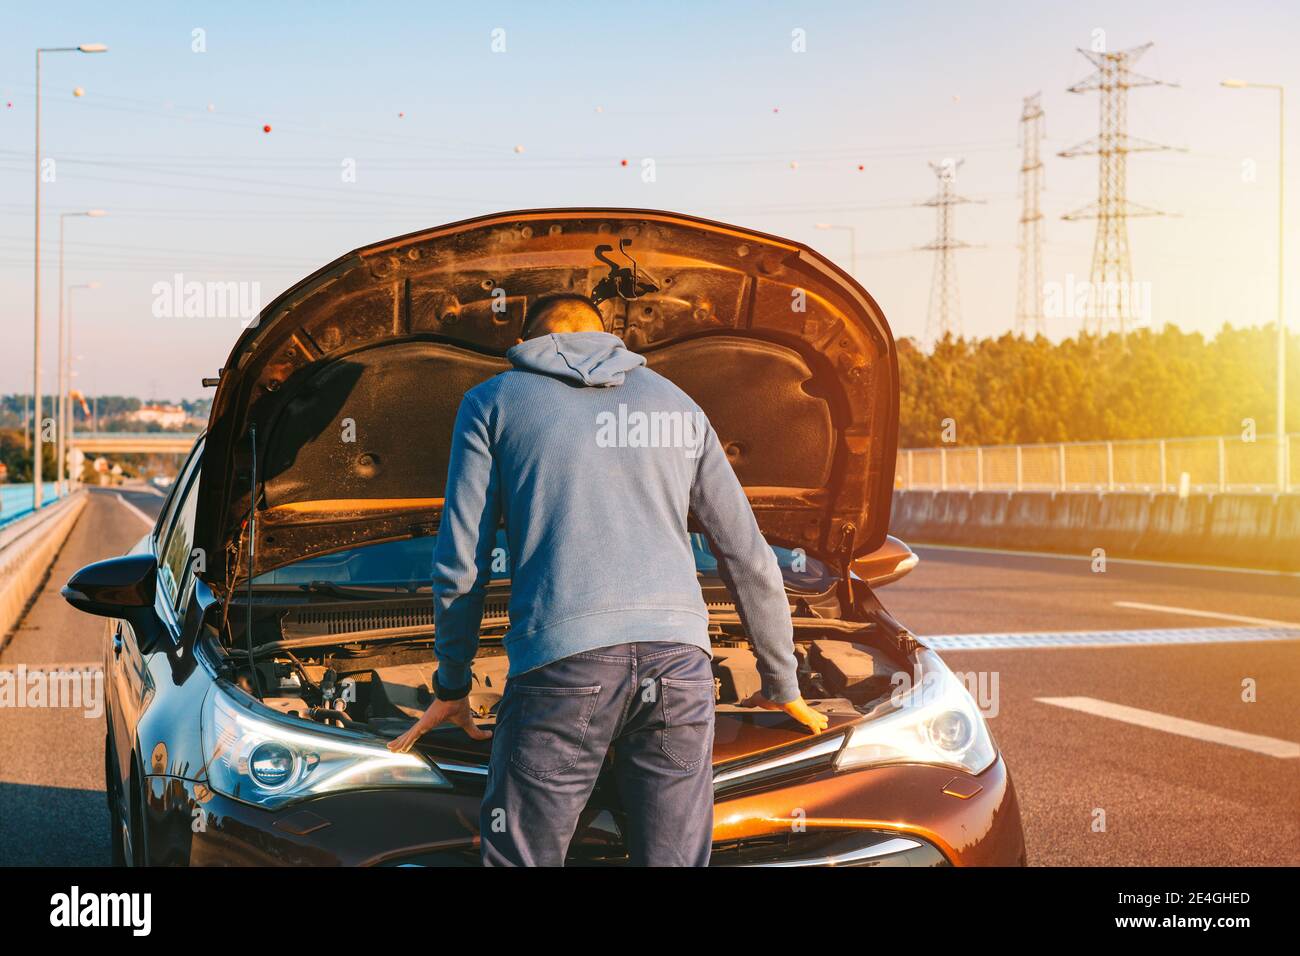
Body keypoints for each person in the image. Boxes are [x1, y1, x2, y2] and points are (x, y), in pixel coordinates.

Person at [388, 292, 827, 866]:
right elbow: (748, 554)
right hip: (680, 666)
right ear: (611, 339)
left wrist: (452, 684)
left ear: (523, 344)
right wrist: (781, 679)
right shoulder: (679, 406)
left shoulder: (492, 402)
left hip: (563, 668)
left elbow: (459, 565)